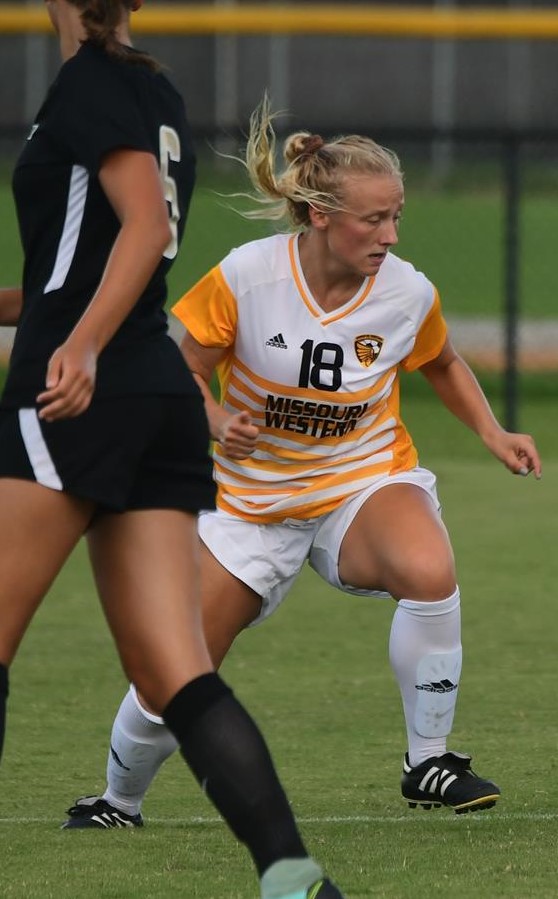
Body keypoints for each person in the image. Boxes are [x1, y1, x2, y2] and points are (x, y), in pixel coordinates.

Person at [60, 97, 541, 829]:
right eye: (372, 220)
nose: (390, 234)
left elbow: (441, 361)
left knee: (429, 567)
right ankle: (117, 803)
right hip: (250, 504)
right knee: (171, 672)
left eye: (397, 216)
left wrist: (493, 431)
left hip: (361, 478)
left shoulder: (407, 291)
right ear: (319, 215)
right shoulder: (248, 277)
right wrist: (217, 419)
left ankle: (429, 761)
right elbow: (176, 364)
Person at [0, 2, 340, 896]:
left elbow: (146, 233)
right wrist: (48, 316)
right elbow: (76, 265)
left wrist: (75, 344)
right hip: (153, 394)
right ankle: (295, 878)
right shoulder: (151, 87)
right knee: (174, 670)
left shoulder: (88, 83)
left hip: (79, 391)